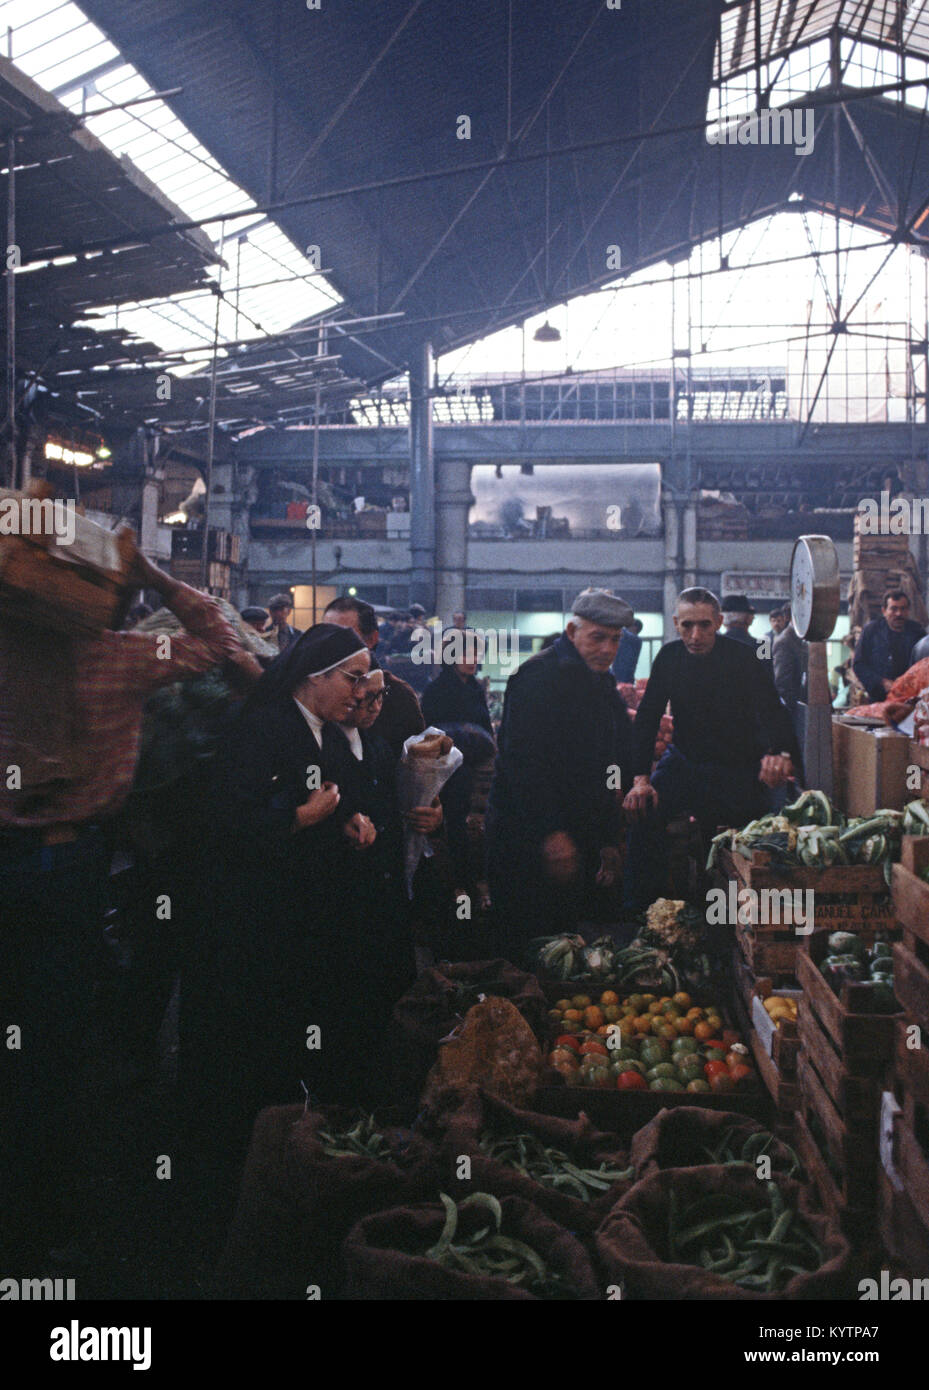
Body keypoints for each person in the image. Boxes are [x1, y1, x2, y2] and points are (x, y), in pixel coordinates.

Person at [0, 544, 252, 1261]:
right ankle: (42, 1218)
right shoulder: (116, 659)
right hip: (63, 861)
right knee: (49, 1042)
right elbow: (217, 641)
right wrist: (154, 574)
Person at [182, 624, 373, 1168]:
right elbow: (225, 817)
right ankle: (230, 1156)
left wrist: (349, 823)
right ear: (314, 677)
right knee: (247, 1038)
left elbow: (335, 801)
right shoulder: (262, 727)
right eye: (352, 679)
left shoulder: (326, 733)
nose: (360, 692)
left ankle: (283, 1137)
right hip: (249, 917)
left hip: (298, 914)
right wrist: (297, 817)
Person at [622, 587, 803, 912]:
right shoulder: (668, 657)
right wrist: (639, 778)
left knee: (745, 843)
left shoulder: (744, 657)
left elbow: (772, 710)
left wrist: (782, 754)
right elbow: (647, 718)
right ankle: (643, 913)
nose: (695, 634)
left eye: (704, 625)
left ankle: (733, 922)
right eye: (687, 625)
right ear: (676, 623)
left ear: (719, 622)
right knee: (643, 812)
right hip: (685, 760)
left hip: (737, 765)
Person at [486, 588, 635, 958]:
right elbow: (523, 763)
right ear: (572, 632)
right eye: (597, 637)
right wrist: (550, 833)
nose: (607, 648)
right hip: (527, 837)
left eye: (615, 640)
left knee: (566, 948)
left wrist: (606, 837)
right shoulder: (536, 677)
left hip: (577, 833)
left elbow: (612, 759)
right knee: (527, 942)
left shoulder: (601, 682)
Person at [331, 668, 443, 1100]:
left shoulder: (378, 743)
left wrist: (433, 815)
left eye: (380, 697)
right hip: (346, 900)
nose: (372, 705)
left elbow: (405, 802)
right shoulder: (322, 745)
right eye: (365, 696)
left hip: (387, 893)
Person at [421, 631, 496, 898]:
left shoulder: (475, 688)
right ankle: (460, 884)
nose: (473, 659)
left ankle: (476, 880)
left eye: (476, 653)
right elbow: (428, 733)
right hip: (449, 771)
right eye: (466, 653)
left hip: (477, 767)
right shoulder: (436, 690)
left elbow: (486, 728)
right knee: (456, 824)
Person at [323, 595, 425, 756]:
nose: (333, 645)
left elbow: (413, 766)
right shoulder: (315, 691)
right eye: (326, 636)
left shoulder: (399, 697)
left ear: (371, 639)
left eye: (344, 636)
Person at [852, 590, 926, 702]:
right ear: (884, 611)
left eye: (903, 608)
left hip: (911, 698)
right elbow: (859, 665)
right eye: (894, 609)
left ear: (908, 610)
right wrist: (882, 682)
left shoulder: (918, 632)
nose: (899, 613)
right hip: (879, 697)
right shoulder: (871, 631)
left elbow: (925, 665)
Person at [773, 604, 808, 733]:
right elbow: (781, 681)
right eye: (774, 620)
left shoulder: (801, 639)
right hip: (792, 709)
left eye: (778, 620)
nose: (776, 623)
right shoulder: (765, 639)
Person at [610, 618, 643, 682]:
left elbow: (623, 631)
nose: (627, 627)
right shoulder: (628, 639)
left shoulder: (636, 640)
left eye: (629, 625)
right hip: (620, 675)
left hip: (625, 676)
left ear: (635, 628)